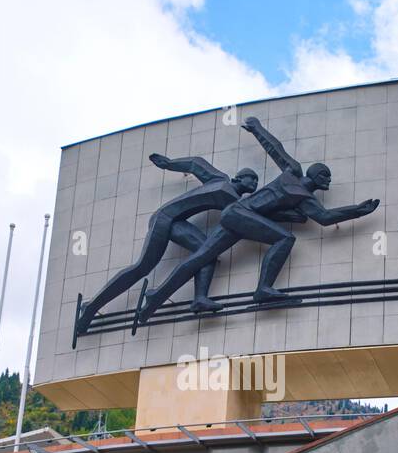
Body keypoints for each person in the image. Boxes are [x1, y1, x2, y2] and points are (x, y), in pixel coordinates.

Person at [135, 116, 379, 324]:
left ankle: (156, 296)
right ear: (315, 174)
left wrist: (357, 211)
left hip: (238, 217)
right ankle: (262, 289)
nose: (328, 180)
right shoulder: (293, 171)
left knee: (200, 258)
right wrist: (257, 128)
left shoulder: (306, 201)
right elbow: (275, 149)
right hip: (240, 213)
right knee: (285, 238)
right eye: (326, 175)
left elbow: (325, 218)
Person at [74, 154, 258, 338]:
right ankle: (91, 307)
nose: (256, 183)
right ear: (239, 177)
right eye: (253, 177)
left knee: (207, 255)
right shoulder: (220, 179)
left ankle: (199, 299)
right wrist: (169, 164)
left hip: (178, 224)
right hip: (164, 218)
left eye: (257, 180)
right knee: (142, 267)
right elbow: (196, 163)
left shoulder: (237, 204)